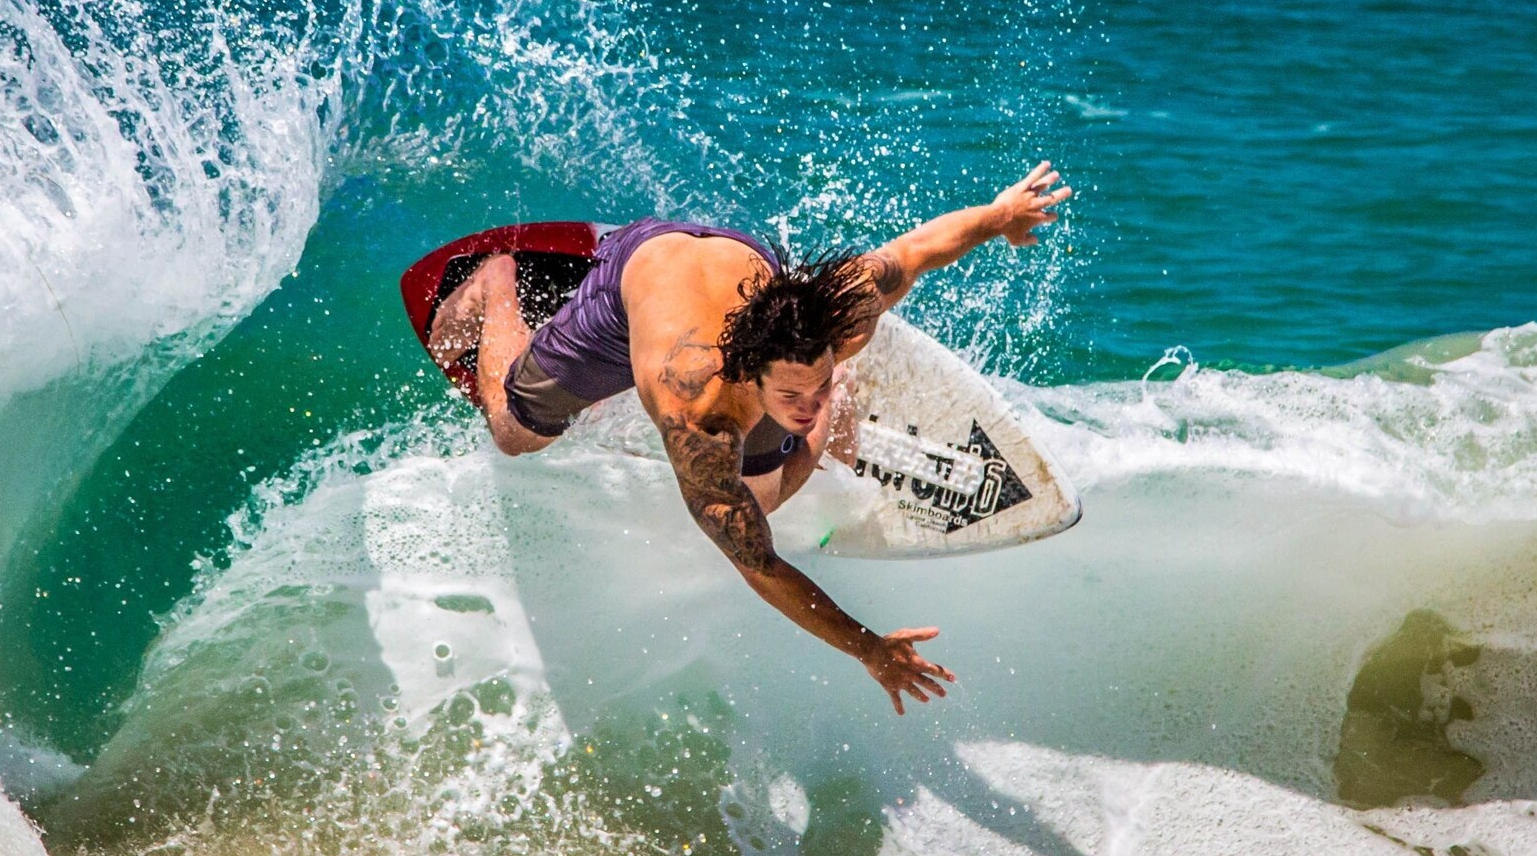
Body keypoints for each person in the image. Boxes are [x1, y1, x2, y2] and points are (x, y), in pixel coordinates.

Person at [425, 163, 1070, 712]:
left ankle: (822, 400)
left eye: (818, 385)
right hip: (640, 277)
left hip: (739, 256)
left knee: (763, 494)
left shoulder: (840, 310)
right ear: (746, 376)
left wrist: (1000, 213)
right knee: (516, 432)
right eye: (789, 398)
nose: (805, 406)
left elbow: (915, 251)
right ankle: (497, 283)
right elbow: (755, 561)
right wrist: (867, 647)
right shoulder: (698, 409)